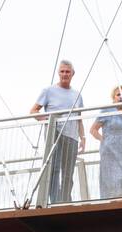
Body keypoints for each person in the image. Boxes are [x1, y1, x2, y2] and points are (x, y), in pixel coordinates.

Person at [30, 60, 85, 204]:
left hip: (72, 135)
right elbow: (33, 111)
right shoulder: (48, 91)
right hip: (54, 133)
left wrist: (83, 137)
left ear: (73, 74)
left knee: (68, 172)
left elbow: (79, 118)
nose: (64, 74)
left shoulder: (77, 95)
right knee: (53, 168)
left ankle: (65, 201)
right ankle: (54, 201)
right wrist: (48, 120)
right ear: (58, 73)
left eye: (67, 72)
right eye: (62, 71)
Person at [90, 84, 122, 200]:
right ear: (113, 97)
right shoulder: (106, 110)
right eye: (118, 94)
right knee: (117, 180)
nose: (121, 97)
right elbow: (93, 130)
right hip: (111, 151)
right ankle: (114, 204)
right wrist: (104, 141)